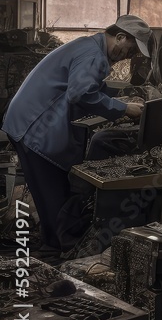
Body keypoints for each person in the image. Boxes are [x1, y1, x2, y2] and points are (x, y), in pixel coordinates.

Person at [3, 15, 151, 251]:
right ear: (120, 37)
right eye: (130, 50)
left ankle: (54, 245)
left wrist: (116, 100)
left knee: (51, 193)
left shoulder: (89, 46)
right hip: (35, 127)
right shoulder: (94, 55)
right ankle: (62, 252)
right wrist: (123, 108)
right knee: (54, 195)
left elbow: (88, 87)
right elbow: (80, 94)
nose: (128, 57)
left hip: (27, 120)